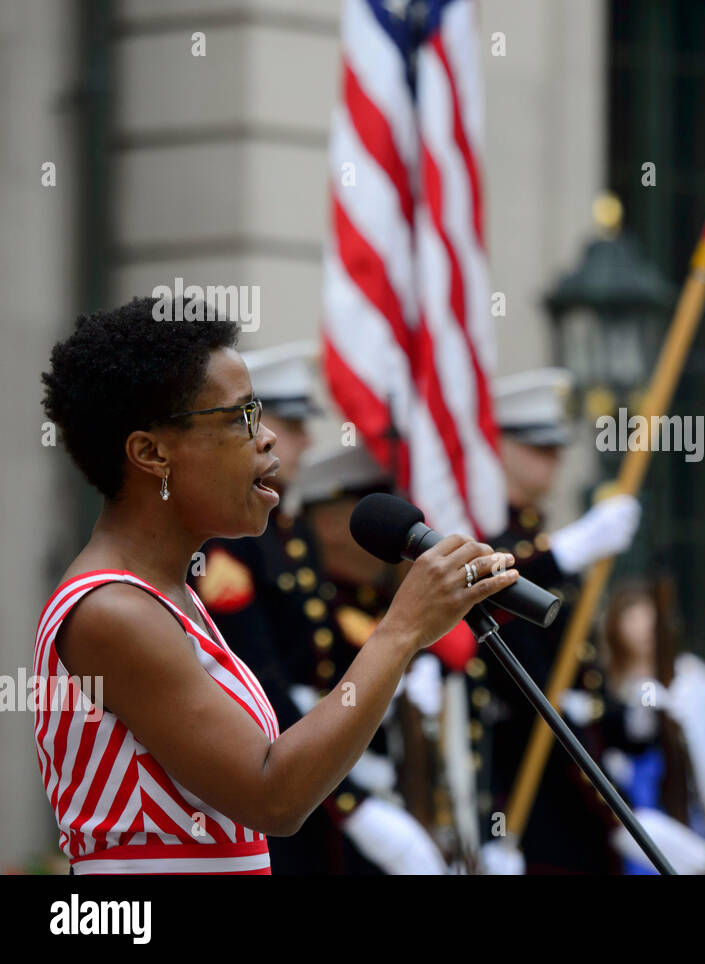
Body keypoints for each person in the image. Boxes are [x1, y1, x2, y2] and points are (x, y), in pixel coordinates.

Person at [35, 295, 518, 874]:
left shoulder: (169, 594)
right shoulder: (113, 611)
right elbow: (273, 796)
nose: (266, 440)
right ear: (150, 453)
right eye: (241, 418)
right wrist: (402, 630)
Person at [189, 342, 445, 875]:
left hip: (316, 755)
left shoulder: (288, 531)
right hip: (278, 764)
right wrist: (349, 802)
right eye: (282, 421)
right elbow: (259, 681)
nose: (291, 440)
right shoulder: (230, 544)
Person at [478, 368, 641, 873]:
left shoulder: (536, 540)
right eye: (537, 448)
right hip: (520, 785)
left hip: (570, 781)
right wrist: (565, 552)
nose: (554, 461)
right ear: (498, 446)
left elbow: (570, 677)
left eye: (556, 449)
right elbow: (485, 592)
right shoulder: (487, 532)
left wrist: (628, 721)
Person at [602, 578, 705, 874]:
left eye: (649, 618)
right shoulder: (604, 680)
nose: (643, 628)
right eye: (632, 618)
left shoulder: (691, 676)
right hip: (627, 806)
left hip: (674, 800)